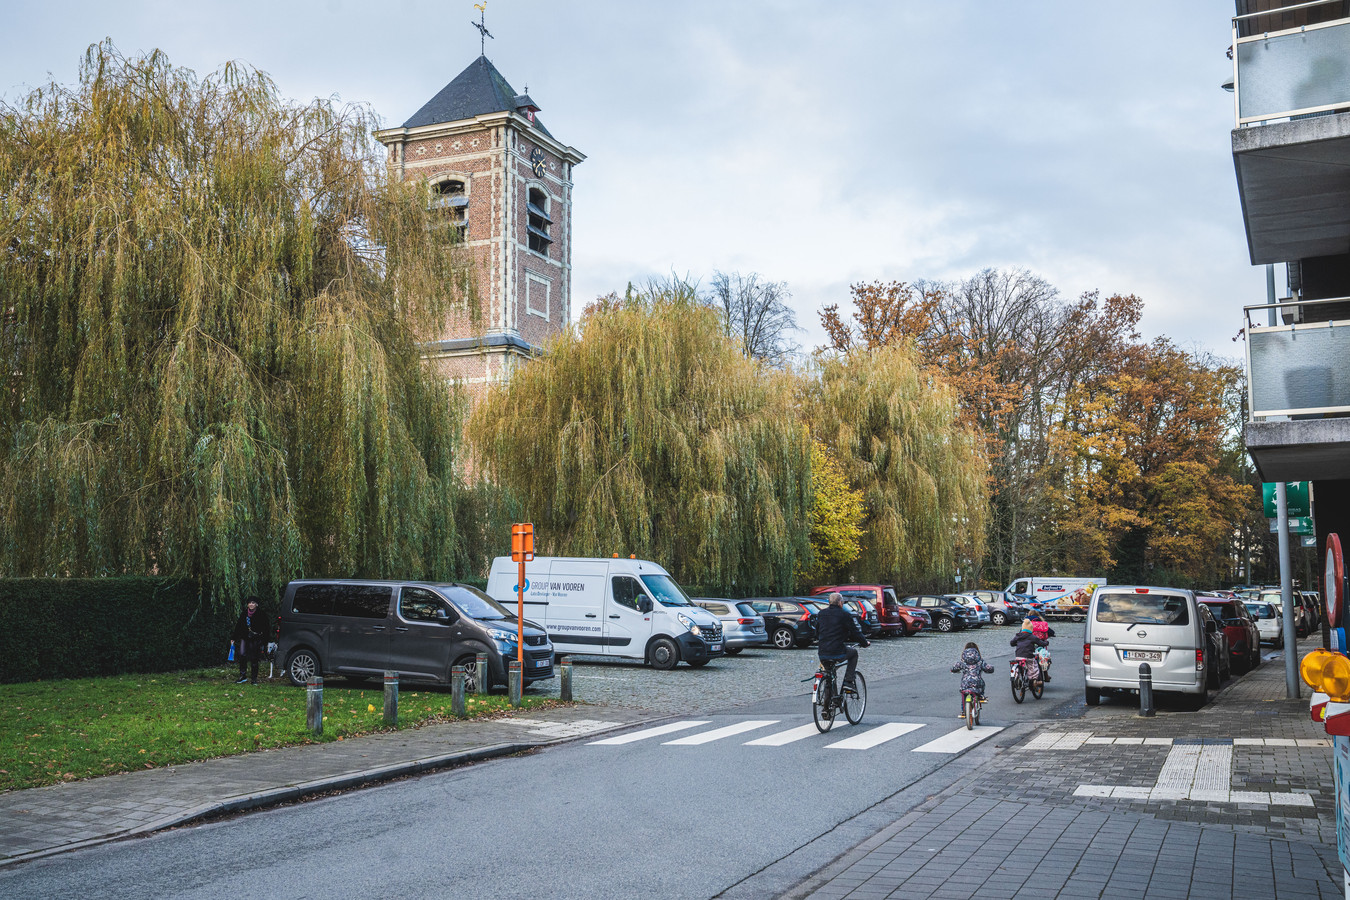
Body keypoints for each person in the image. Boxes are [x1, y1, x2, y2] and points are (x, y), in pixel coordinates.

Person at [817, 591, 870, 690]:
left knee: (829, 675)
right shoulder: (845, 615)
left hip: (822, 652)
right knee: (853, 653)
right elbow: (855, 633)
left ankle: (828, 701)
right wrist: (865, 643)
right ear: (840, 603)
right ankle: (848, 681)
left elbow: (817, 632)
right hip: (837, 651)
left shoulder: (821, 614)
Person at [231, 596, 270, 685]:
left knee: (254, 658)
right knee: (242, 655)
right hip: (245, 637)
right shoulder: (244, 614)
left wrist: (265, 641)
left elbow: (266, 628)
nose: (251, 604)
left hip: (256, 639)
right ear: (247, 604)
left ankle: (254, 679)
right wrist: (234, 637)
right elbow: (239, 626)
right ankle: (242, 676)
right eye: (250, 603)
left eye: (253, 603)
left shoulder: (261, 614)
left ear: (256, 604)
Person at [951, 642, 995, 717]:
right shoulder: (980, 661)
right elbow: (988, 668)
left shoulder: (962, 661)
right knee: (981, 685)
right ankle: (981, 696)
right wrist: (991, 668)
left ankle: (963, 711)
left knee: (964, 695)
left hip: (965, 683)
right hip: (977, 682)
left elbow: (954, 668)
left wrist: (953, 670)